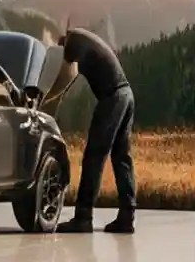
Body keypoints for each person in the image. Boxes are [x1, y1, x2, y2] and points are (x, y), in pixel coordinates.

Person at [54, 26, 137, 234]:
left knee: (94, 156)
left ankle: (83, 217)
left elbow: (65, 78)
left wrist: (50, 101)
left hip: (112, 98)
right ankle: (127, 217)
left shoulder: (73, 43)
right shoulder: (85, 38)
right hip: (126, 94)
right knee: (121, 158)